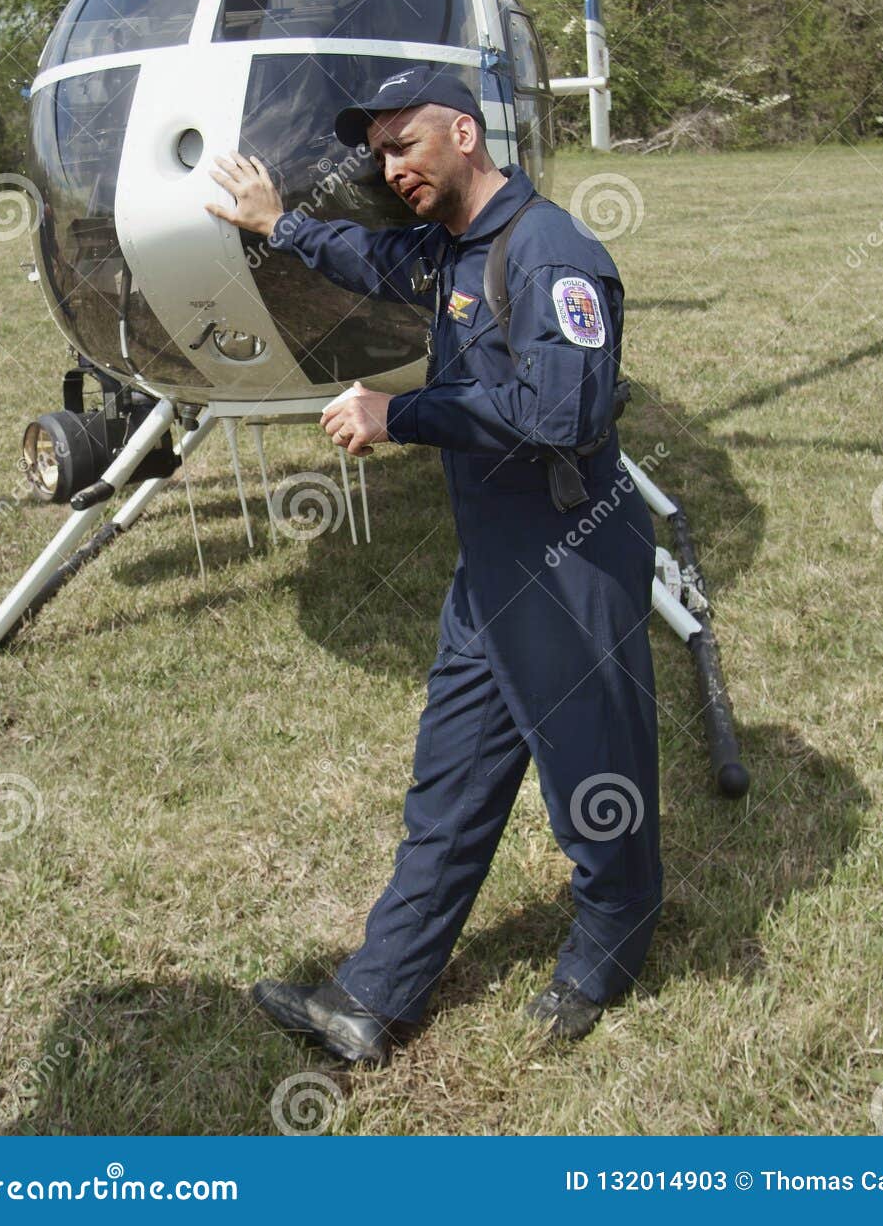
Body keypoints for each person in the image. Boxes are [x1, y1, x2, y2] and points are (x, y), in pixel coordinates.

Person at [205, 64, 661, 1065]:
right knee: (449, 777)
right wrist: (275, 223)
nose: (390, 168)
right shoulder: (453, 250)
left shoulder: (547, 254)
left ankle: (610, 947)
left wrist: (396, 411)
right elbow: (368, 259)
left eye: (403, 144)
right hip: (492, 564)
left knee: (593, 772)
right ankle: (372, 997)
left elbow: (565, 413)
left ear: (462, 132)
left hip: (567, 551)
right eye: (377, 154)